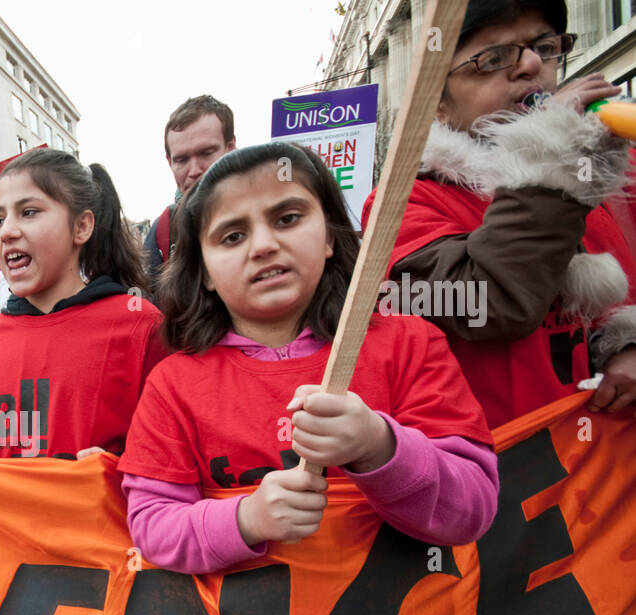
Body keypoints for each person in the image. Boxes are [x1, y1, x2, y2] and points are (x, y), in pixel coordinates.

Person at [118, 143, 499, 575]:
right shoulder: (172, 385)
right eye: (232, 236)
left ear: (330, 236)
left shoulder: (411, 344)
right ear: (203, 271)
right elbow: (152, 527)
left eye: (287, 218)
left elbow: (472, 508)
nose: (264, 246)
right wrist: (246, 519)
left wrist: (378, 447)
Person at [363, 0, 636, 429]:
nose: (531, 65)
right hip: (511, 461)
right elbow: (486, 305)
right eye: (493, 58)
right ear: (437, 106)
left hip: (613, 455)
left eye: (544, 47)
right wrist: (549, 154)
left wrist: (627, 344)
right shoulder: (403, 203)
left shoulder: (605, 170)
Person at [0, 148, 165, 460]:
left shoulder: (140, 325)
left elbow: (173, 449)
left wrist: (118, 467)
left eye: (29, 212)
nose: (6, 232)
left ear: (81, 227)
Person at [144, 95, 237, 290]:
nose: (194, 170)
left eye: (206, 153)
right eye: (182, 160)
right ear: (169, 162)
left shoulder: (268, 213)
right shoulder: (163, 231)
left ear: (230, 148)